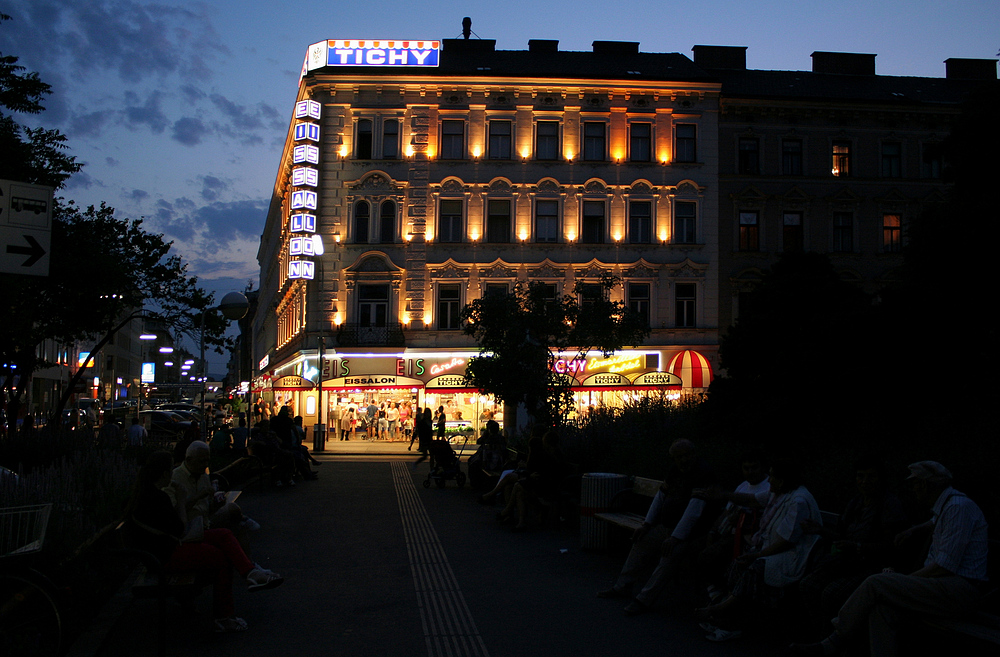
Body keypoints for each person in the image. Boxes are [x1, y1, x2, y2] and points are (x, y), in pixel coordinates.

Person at [790, 461, 989, 657]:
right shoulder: (948, 506)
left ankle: (834, 641)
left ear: (925, 485)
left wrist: (907, 579)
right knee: (882, 610)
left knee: (876, 582)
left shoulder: (957, 508)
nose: (913, 490)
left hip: (959, 590)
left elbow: (944, 566)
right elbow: (934, 522)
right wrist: (914, 529)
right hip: (942, 588)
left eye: (915, 485)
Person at [126, 451, 282, 633]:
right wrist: (183, 499)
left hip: (165, 548)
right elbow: (179, 528)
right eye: (171, 469)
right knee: (220, 558)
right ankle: (224, 617)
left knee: (223, 534)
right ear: (164, 474)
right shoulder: (155, 497)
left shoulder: (149, 493)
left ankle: (250, 573)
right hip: (165, 555)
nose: (173, 472)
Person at [695, 457, 822, 642]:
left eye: (772, 476)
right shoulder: (779, 494)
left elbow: (786, 542)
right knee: (740, 563)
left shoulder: (799, 501)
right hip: (771, 550)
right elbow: (751, 500)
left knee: (754, 567)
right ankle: (726, 617)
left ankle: (721, 612)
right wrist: (723, 495)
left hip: (793, 557)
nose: (768, 480)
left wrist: (757, 554)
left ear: (782, 480)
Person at [597, 439, 720, 615]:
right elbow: (661, 496)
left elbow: (694, 511)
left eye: (686, 456)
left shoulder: (703, 474)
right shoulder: (675, 471)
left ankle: (644, 599)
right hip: (668, 526)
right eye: (679, 457)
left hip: (692, 533)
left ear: (694, 455)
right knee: (642, 540)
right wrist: (646, 525)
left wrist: (676, 537)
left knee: (670, 555)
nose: (683, 460)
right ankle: (622, 586)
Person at [797, 457, 908, 621]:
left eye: (871, 476)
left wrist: (858, 547)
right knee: (808, 585)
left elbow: (891, 545)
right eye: (860, 476)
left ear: (881, 479)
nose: (865, 481)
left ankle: (838, 636)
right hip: (847, 562)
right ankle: (818, 629)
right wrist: (820, 530)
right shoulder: (855, 503)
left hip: (872, 567)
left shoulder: (889, 505)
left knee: (832, 593)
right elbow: (842, 535)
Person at [168, 441, 260, 532]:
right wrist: (198, 496)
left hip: (205, 520)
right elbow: (174, 512)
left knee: (236, 523)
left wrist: (217, 504)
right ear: (188, 460)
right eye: (201, 461)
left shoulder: (203, 476)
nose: (205, 465)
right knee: (229, 532)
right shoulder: (175, 478)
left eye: (207, 460)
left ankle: (241, 521)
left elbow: (207, 508)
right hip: (189, 526)